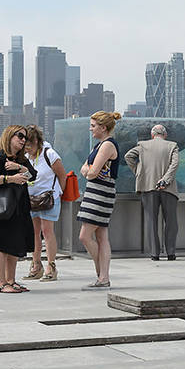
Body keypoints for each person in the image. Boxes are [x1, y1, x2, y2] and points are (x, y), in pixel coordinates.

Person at [0, 125, 36, 293]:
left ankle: (11, 281)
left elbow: (33, 176)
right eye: (19, 136)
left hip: (18, 208)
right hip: (1, 209)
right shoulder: (0, 157)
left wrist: (19, 168)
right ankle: (1, 283)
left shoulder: (20, 159)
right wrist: (10, 179)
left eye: (25, 137)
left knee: (14, 245)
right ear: (9, 136)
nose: (23, 140)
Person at [77, 111, 121, 288]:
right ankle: (103, 277)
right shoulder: (99, 145)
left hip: (100, 193)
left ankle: (101, 271)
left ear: (103, 128)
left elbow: (91, 172)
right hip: (96, 191)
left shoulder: (107, 145)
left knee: (84, 236)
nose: (90, 129)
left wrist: (89, 170)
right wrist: (89, 170)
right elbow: (85, 169)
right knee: (101, 236)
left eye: (93, 126)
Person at [125, 124, 180, 261]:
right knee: (171, 221)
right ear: (165, 135)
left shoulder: (143, 145)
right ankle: (171, 253)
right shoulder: (172, 146)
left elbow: (128, 156)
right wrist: (165, 180)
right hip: (168, 188)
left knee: (151, 221)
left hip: (148, 186)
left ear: (152, 134)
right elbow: (174, 164)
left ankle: (155, 254)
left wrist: (139, 172)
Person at [23, 124, 68, 282]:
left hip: (49, 198)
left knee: (47, 231)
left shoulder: (50, 154)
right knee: (34, 232)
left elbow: (62, 175)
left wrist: (58, 192)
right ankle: (36, 265)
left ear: (36, 141)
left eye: (29, 145)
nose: (27, 149)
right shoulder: (27, 157)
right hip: (32, 199)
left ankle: (51, 266)